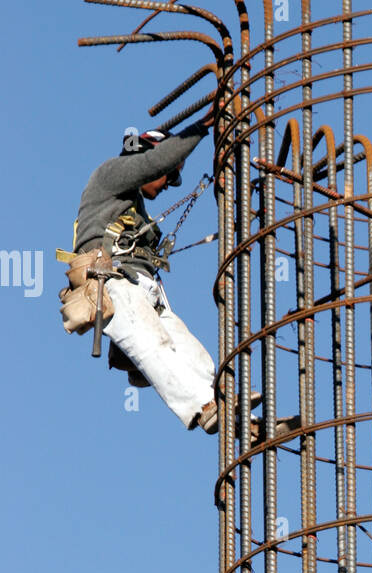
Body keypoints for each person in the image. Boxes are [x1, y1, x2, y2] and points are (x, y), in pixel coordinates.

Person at [67, 118, 295, 442]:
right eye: (170, 174)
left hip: (143, 287)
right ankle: (204, 407)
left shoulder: (134, 206)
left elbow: (157, 166)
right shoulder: (110, 175)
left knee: (193, 354)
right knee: (153, 346)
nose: (168, 182)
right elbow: (155, 162)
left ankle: (246, 421)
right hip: (110, 281)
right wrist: (203, 125)